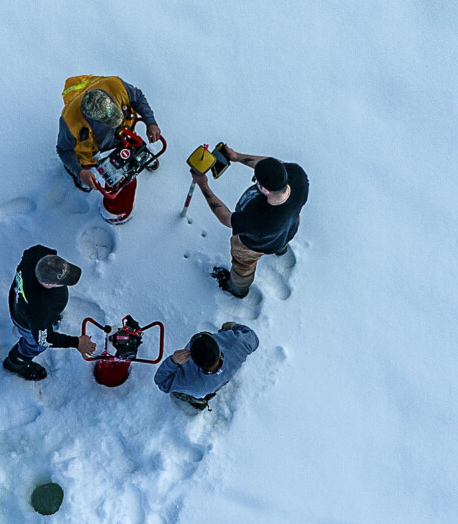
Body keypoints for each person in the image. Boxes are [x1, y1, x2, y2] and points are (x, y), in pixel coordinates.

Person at [190, 145, 309, 297]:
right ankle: (280, 249)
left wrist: (203, 184)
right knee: (281, 238)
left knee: (243, 265)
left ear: (265, 189)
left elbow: (226, 218)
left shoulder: (257, 219)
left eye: (257, 181)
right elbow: (275, 164)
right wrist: (237, 156)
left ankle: (237, 288)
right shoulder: (298, 176)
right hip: (289, 228)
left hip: (254, 246)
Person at [57, 75, 164, 221]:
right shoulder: (69, 121)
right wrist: (80, 172)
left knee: (130, 156)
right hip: (92, 151)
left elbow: (138, 97)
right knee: (108, 174)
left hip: (124, 134)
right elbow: (64, 150)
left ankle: (140, 155)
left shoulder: (116, 86)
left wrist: (150, 122)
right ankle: (81, 176)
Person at [5, 246, 92, 381]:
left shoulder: (35, 256)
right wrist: (78, 342)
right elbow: (44, 339)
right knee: (35, 345)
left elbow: (31, 251)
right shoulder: (40, 309)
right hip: (28, 322)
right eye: (62, 282)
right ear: (46, 283)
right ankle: (16, 362)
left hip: (20, 304)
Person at [153, 322, 260, 410]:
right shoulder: (236, 343)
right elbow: (253, 338)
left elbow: (162, 382)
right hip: (223, 376)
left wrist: (173, 361)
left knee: (186, 392)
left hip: (202, 389)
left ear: (194, 361)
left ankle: (197, 400)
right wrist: (234, 327)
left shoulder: (190, 380)